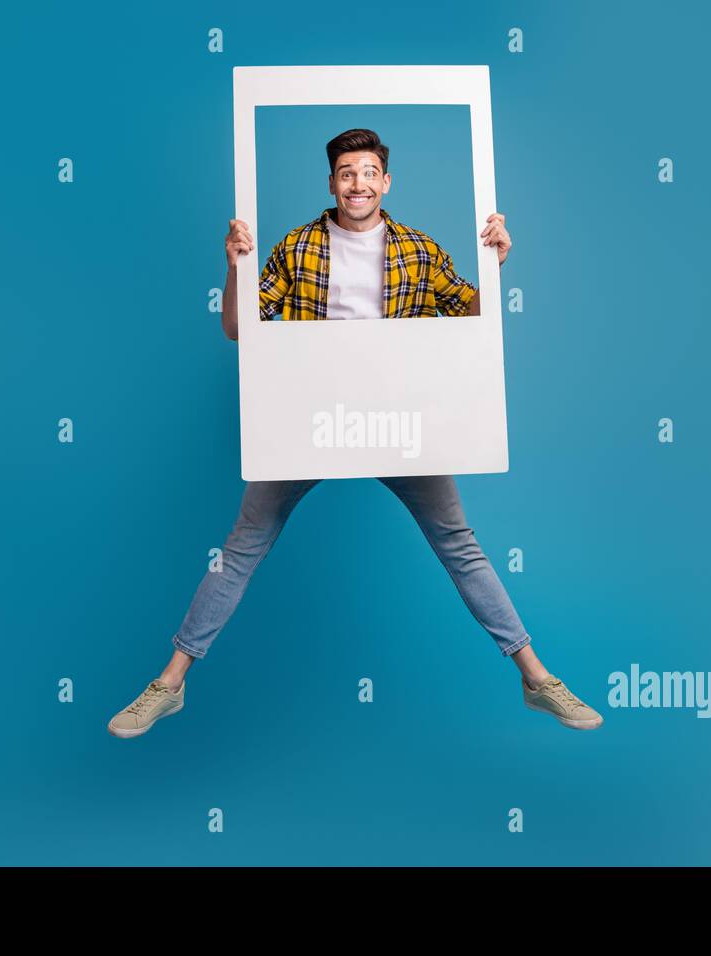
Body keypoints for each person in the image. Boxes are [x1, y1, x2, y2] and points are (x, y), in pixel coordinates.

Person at [108, 129, 602, 737]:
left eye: (369, 172)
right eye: (346, 173)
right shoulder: (298, 247)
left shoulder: (419, 251)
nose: (358, 184)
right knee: (242, 546)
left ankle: (536, 677)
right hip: (309, 418)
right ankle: (169, 683)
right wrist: (232, 265)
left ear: (385, 181)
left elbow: (472, 317)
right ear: (333, 182)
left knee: (458, 542)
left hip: (397, 420)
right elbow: (239, 328)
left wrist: (496, 264)